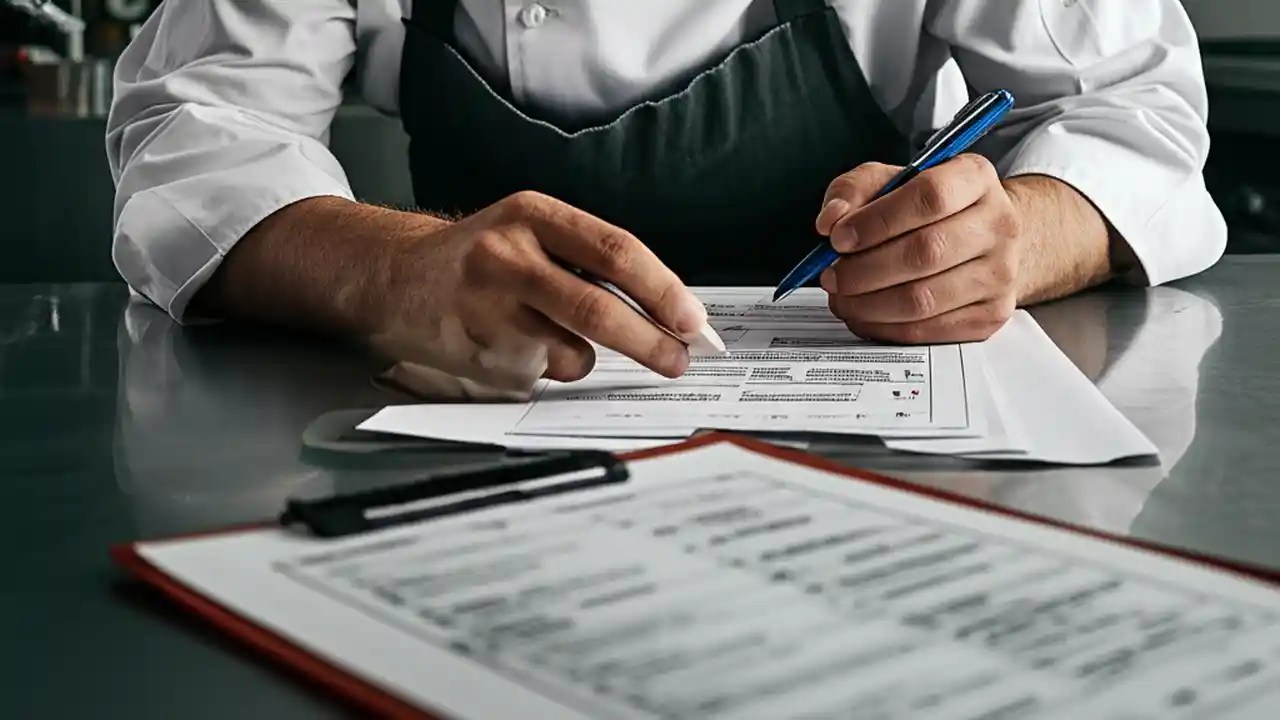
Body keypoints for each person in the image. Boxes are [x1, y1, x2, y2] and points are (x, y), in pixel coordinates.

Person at [107, 0, 1225, 395]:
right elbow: (198, 129)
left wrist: (1011, 239)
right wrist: (391, 268)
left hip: (877, 427)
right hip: (478, 423)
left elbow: (1137, 109)